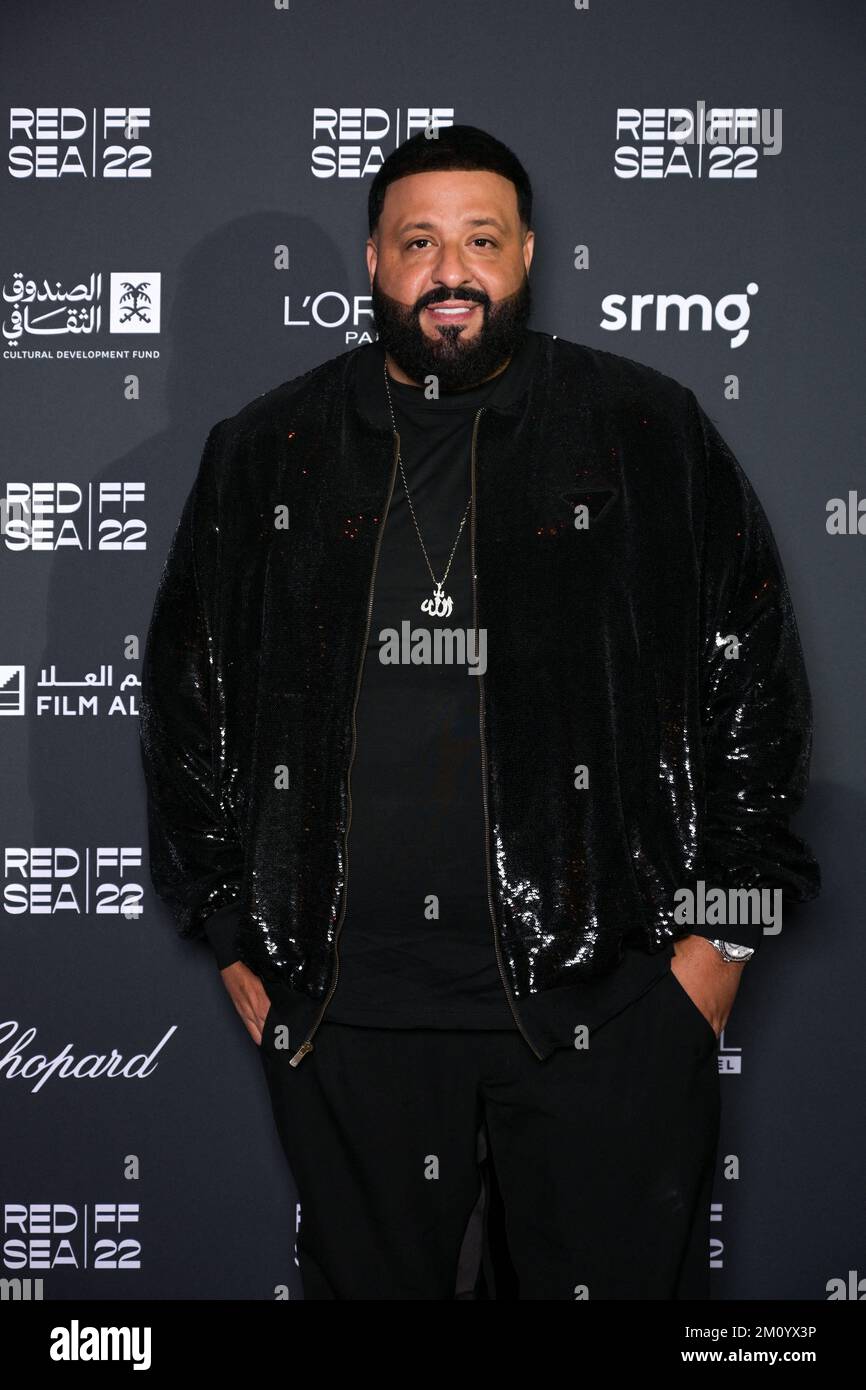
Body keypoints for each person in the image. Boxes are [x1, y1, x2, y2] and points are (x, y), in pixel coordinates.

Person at [139, 124, 820, 1300]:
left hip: (606, 999)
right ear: (372, 262)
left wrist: (712, 952)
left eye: (479, 241)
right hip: (347, 1012)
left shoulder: (644, 431)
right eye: (419, 242)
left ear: (526, 254)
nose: (450, 272)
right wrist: (227, 920)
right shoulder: (266, 453)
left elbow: (748, 681)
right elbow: (188, 695)